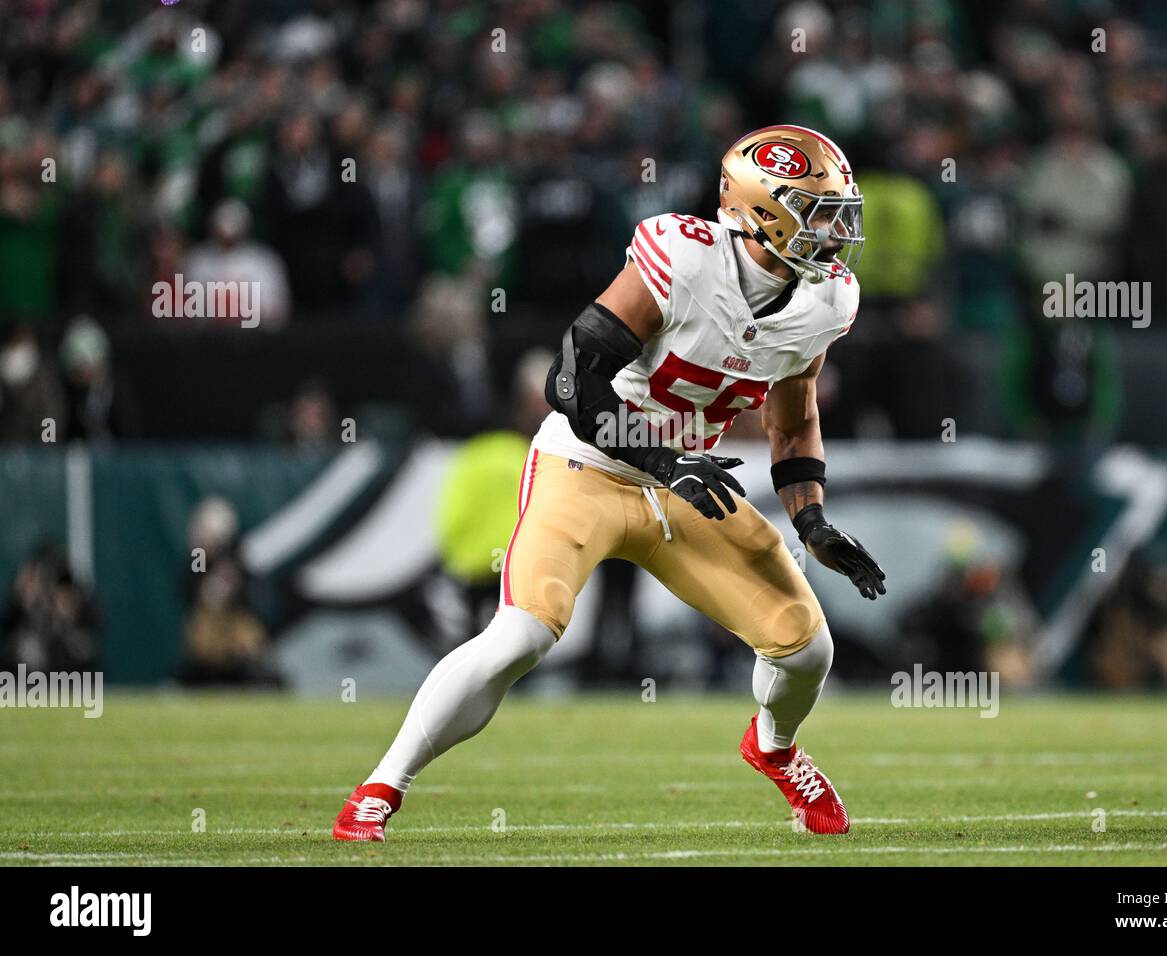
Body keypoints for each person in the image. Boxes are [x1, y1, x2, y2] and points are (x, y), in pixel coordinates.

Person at [333, 125, 887, 841]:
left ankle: (775, 750)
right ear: (763, 210)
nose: (835, 232)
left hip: (686, 482)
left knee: (807, 648)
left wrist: (810, 518)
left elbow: (794, 415)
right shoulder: (683, 258)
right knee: (520, 636)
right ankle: (381, 786)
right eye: (816, 211)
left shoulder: (828, 300)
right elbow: (569, 380)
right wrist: (664, 460)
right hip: (589, 465)